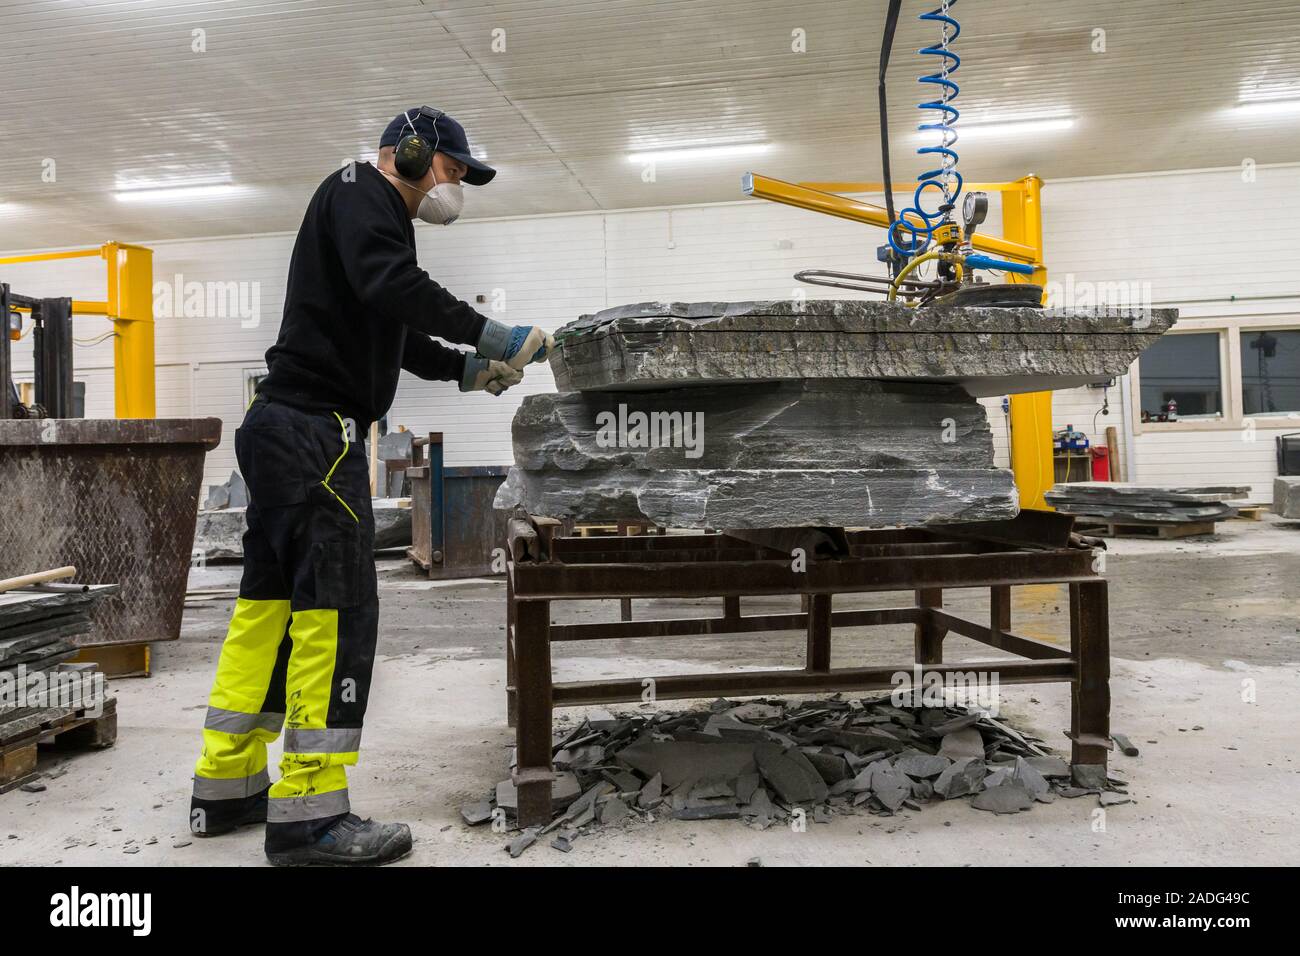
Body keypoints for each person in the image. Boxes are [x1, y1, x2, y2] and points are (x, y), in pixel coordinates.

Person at [189, 106, 552, 866]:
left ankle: (227, 783)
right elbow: (397, 288)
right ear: (409, 154)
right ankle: (310, 815)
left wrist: (466, 368)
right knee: (336, 612)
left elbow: (391, 326)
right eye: (451, 170)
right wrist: (493, 334)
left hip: (281, 429)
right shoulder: (364, 192)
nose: (453, 188)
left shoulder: (358, 213)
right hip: (319, 437)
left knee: (267, 610)